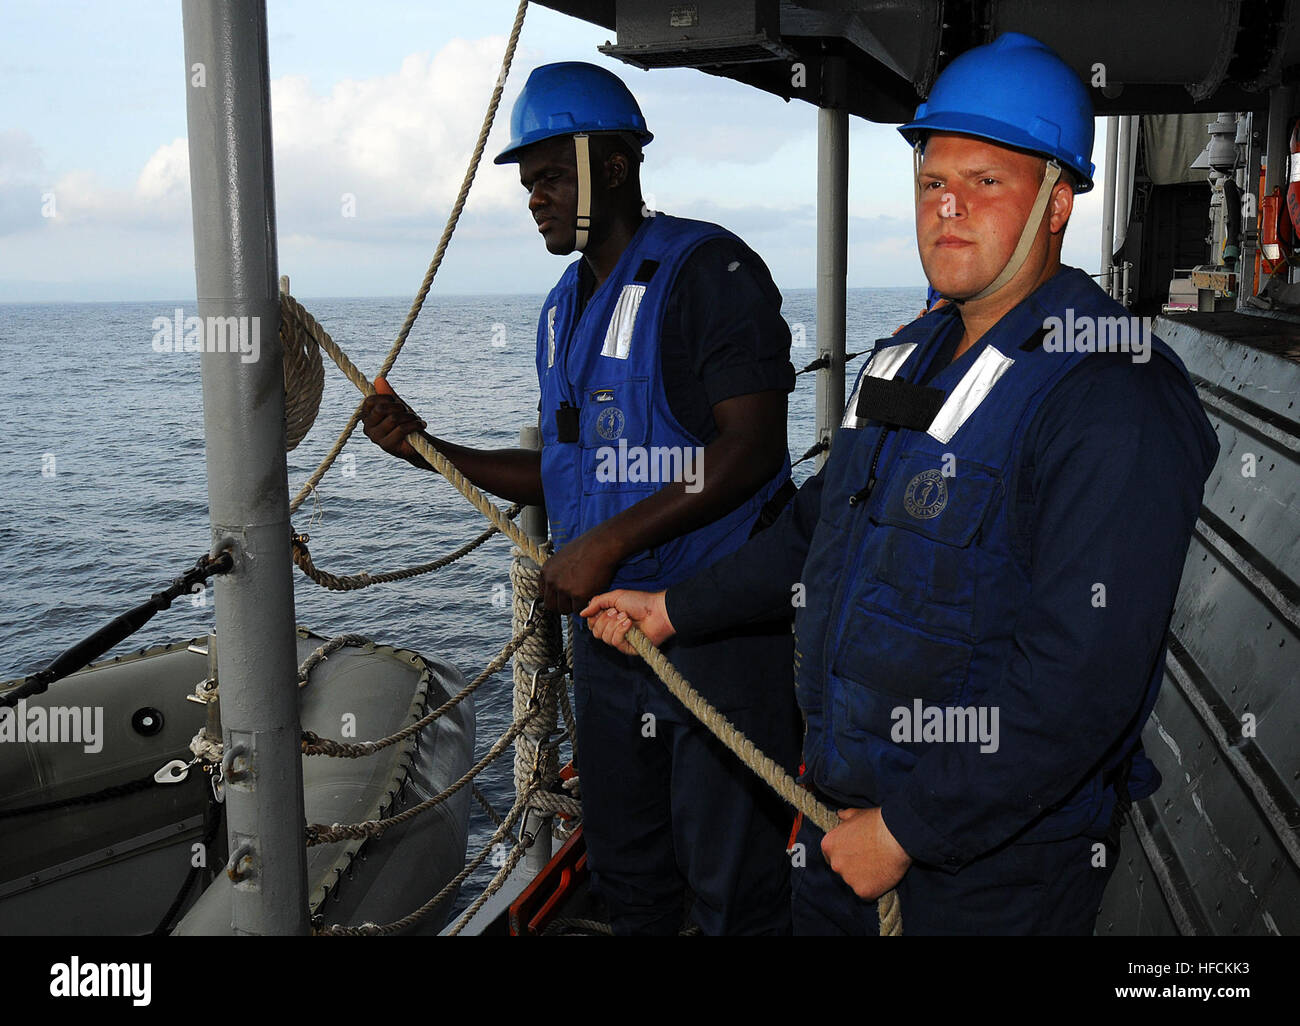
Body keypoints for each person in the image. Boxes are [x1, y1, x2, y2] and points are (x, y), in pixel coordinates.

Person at [581, 33, 1219, 935]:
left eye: (986, 181)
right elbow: (820, 528)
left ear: (1058, 199)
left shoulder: (1112, 391)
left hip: (984, 872)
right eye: (931, 181)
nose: (948, 207)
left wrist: (913, 829)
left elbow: (1082, 682)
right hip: (840, 824)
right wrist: (673, 607)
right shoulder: (910, 354)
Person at [360, 62, 801, 935]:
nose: (536, 200)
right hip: (608, 649)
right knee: (630, 873)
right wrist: (431, 449)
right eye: (529, 185)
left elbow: (751, 450)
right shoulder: (564, 310)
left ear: (619, 165)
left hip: (705, 637)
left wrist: (604, 544)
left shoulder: (712, 273)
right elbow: (565, 473)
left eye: (553, 177)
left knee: (731, 889)